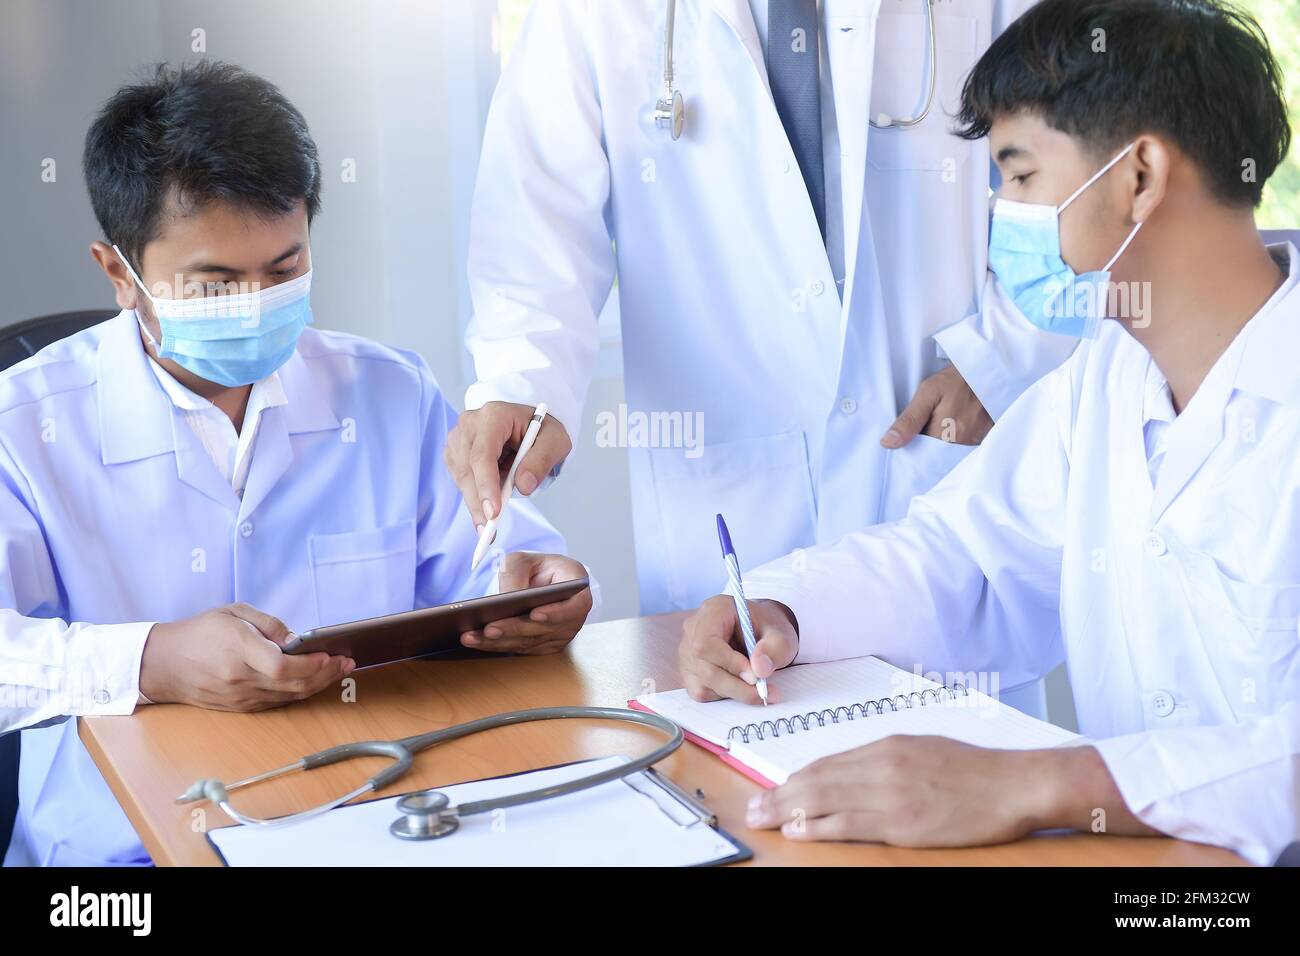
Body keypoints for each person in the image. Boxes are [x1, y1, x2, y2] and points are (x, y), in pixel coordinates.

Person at [676, 0, 1299, 866]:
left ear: (1139, 175)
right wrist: (779, 611)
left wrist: (1032, 784)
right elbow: (963, 558)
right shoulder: (1104, 377)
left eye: (1021, 176)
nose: (1002, 212)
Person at [0, 61, 593, 867]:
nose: (256, 304)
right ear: (119, 275)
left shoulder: (388, 391)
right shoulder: (24, 428)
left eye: (283, 272)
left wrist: (532, 590)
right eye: (216, 286)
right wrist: (150, 661)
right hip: (122, 855)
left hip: (371, 823)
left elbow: (491, 560)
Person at [445, 2, 1075, 646]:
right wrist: (524, 384)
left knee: (950, 693)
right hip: (731, 493)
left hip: (933, 454)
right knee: (735, 683)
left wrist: (998, 362)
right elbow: (534, 218)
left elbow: (1082, 154)